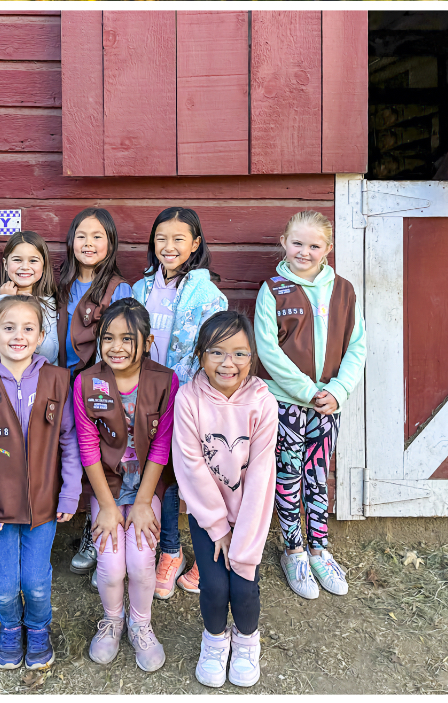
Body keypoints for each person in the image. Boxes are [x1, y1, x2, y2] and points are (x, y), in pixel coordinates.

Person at [0, 295, 81, 670]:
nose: (18, 336)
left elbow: (69, 440)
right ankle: (11, 629)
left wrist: (70, 491)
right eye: (8, 328)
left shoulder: (57, 380)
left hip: (43, 504)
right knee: (4, 583)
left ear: (41, 335)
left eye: (28, 328)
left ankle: (38, 629)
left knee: (36, 581)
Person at [254, 211, 367, 600]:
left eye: (314, 245)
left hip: (328, 405)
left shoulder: (344, 292)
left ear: (328, 249)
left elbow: (357, 346)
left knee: (317, 474)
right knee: (288, 475)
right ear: (284, 242)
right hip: (286, 402)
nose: (304, 251)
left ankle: (318, 547)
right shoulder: (273, 289)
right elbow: (267, 348)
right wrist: (305, 390)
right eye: (297, 243)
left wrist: (338, 390)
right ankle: (293, 549)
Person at [172, 311, 278, 688]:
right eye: (217, 353)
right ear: (201, 355)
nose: (227, 363)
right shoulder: (188, 399)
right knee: (214, 586)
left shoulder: (263, 404)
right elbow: (190, 466)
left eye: (239, 354)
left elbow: (262, 476)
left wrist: (243, 539)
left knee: (244, 584)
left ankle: (247, 640)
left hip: (250, 514)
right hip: (207, 515)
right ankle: (215, 640)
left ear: (252, 357)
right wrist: (218, 528)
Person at [129, 206, 227, 600]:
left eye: (178, 240)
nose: (168, 247)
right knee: (162, 477)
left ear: (195, 244)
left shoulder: (208, 295)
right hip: (145, 398)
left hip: (187, 400)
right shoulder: (141, 289)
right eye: (161, 239)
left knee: (199, 477)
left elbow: (215, 353)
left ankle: (211, 555)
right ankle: (171, 550)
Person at [74, 299, 177, 671]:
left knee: (141, 563)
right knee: (111, 565)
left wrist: (145, 502)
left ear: (147, 342)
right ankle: (113, 620)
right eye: (108, 338)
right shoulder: (86, 382)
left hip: (148, 488)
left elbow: (162, 444)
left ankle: (141, 623)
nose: (115, 347)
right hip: (109, 487)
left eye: (127, 339)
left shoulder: (165, 381)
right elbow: (87, 447)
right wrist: (105, 506)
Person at [57, 207, 134, 577]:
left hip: (97, 387)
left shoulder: (119, 288)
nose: (88, 243)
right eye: (82, 235)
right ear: (71, 241)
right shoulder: (57, 284)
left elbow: (122, 343)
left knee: (101, 461)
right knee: (67, 456)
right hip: (58, 382)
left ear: (110, 243)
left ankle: (97, 533)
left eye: (97, 236)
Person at [0, 230, 61, 366]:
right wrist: (3, 302)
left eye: (33, 260)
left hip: (32, 380)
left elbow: (50, 353)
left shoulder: (47, 303)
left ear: (43, 265)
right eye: (17, 260)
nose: (25, 267)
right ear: (5, 264)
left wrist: (33, 312)